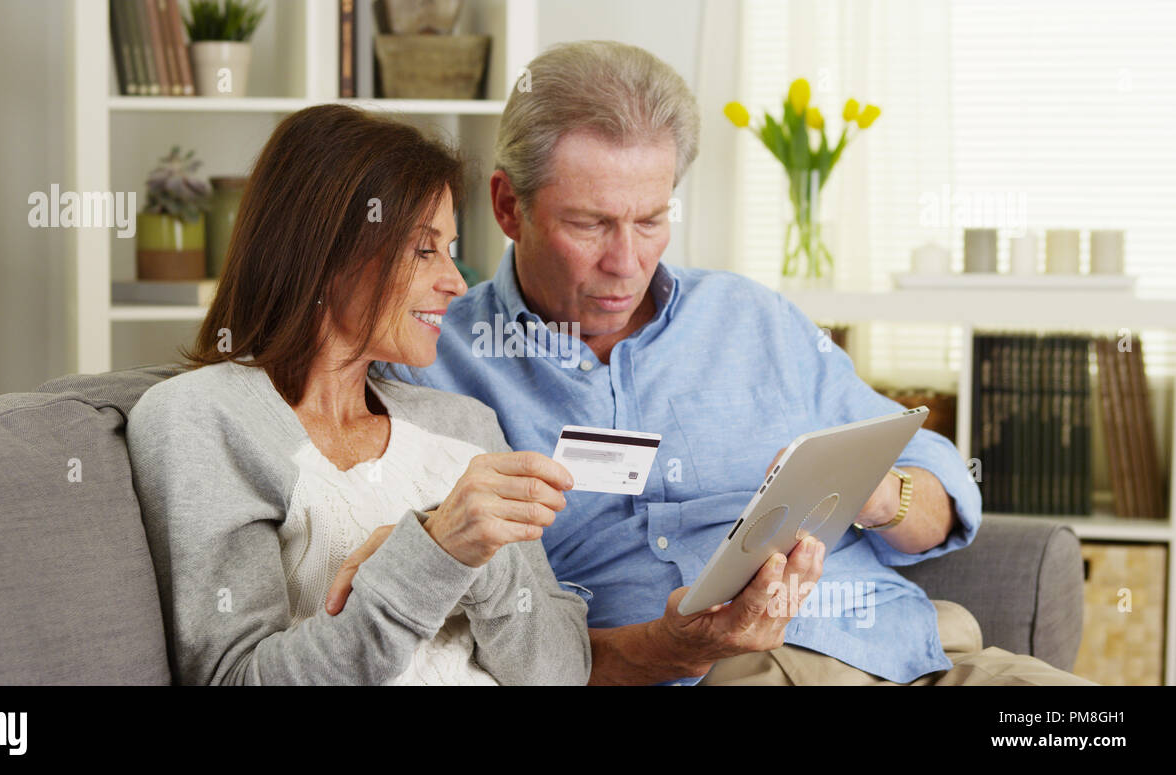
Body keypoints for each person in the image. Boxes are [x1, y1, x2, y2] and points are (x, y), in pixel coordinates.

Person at [345, 41, 1092, 686]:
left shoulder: (752, 318)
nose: (626, 261)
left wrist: (879, 493)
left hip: (910, 659)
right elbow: (488, 630)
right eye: (589, 224)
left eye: (651, 220)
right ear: (509, 208)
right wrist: (673, 646)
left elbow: (939, 500)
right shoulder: (434, 362)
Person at [126, 104, 591, 685]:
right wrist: (433, 552)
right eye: (424, 250)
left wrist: (484, 565)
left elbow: (562, 674)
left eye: (450, 249)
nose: (455, 281)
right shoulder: (201, 418)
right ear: (324, 251)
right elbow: (237, 680)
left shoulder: (464, 424)